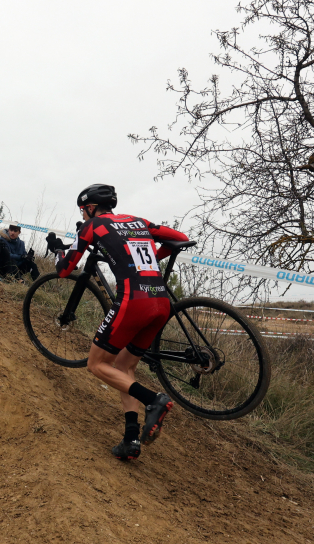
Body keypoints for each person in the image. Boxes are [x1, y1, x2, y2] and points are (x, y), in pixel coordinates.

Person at [53, 184, 189, 461]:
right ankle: (131, 439)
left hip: (134, 301)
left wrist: (58, 252)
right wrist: (151, 258)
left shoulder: (92, 226)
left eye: (83, 210)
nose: (83, 215)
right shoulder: (138, 222)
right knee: (124, 367)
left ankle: (153, 400)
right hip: (160, 302)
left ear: (90, 208)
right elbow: (180, 237)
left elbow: (65, 270)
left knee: (96, 364)